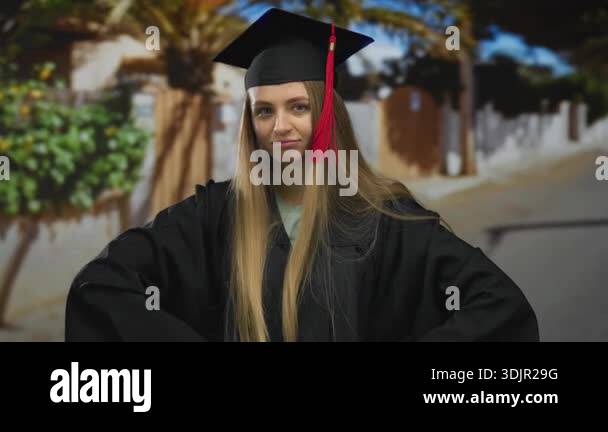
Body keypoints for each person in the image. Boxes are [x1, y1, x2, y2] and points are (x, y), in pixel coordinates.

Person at [65, 8, 539, 342]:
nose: (281, 126)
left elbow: (496, 307)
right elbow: (102, 285)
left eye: (298, 106)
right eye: (264, 111)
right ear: (250, 124)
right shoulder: (214, 214)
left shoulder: (382, 216)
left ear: (327, 113)